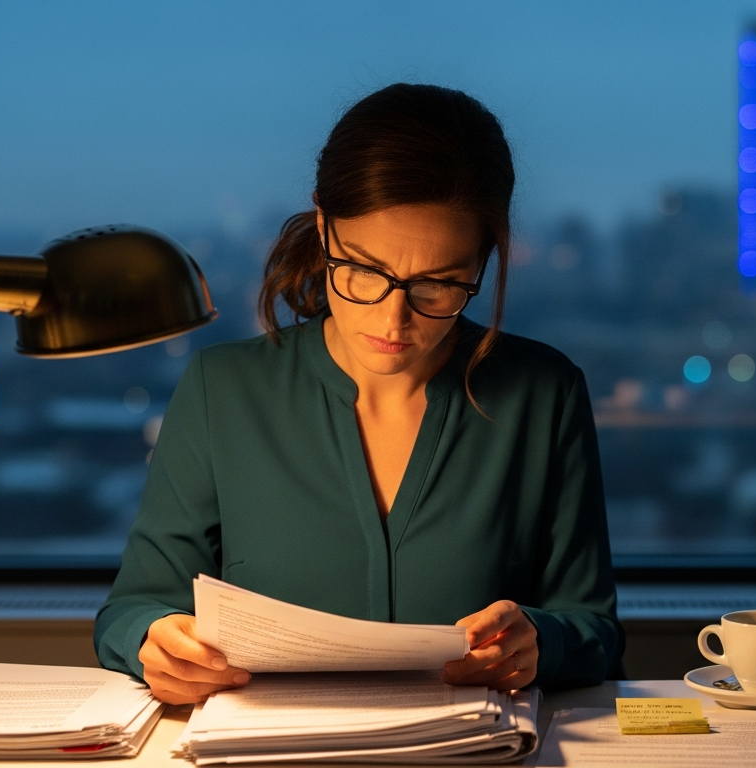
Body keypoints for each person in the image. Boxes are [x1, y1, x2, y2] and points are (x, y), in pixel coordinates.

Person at [93, 83, 622, 705]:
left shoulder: (544, 392)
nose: (394, 320)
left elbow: (596, 633)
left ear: (487, 260)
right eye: (365, 272)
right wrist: (153, 639)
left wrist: (543, 641)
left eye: (440, 285)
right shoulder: (223, 390)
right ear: (323, 224)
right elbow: (129, 612)